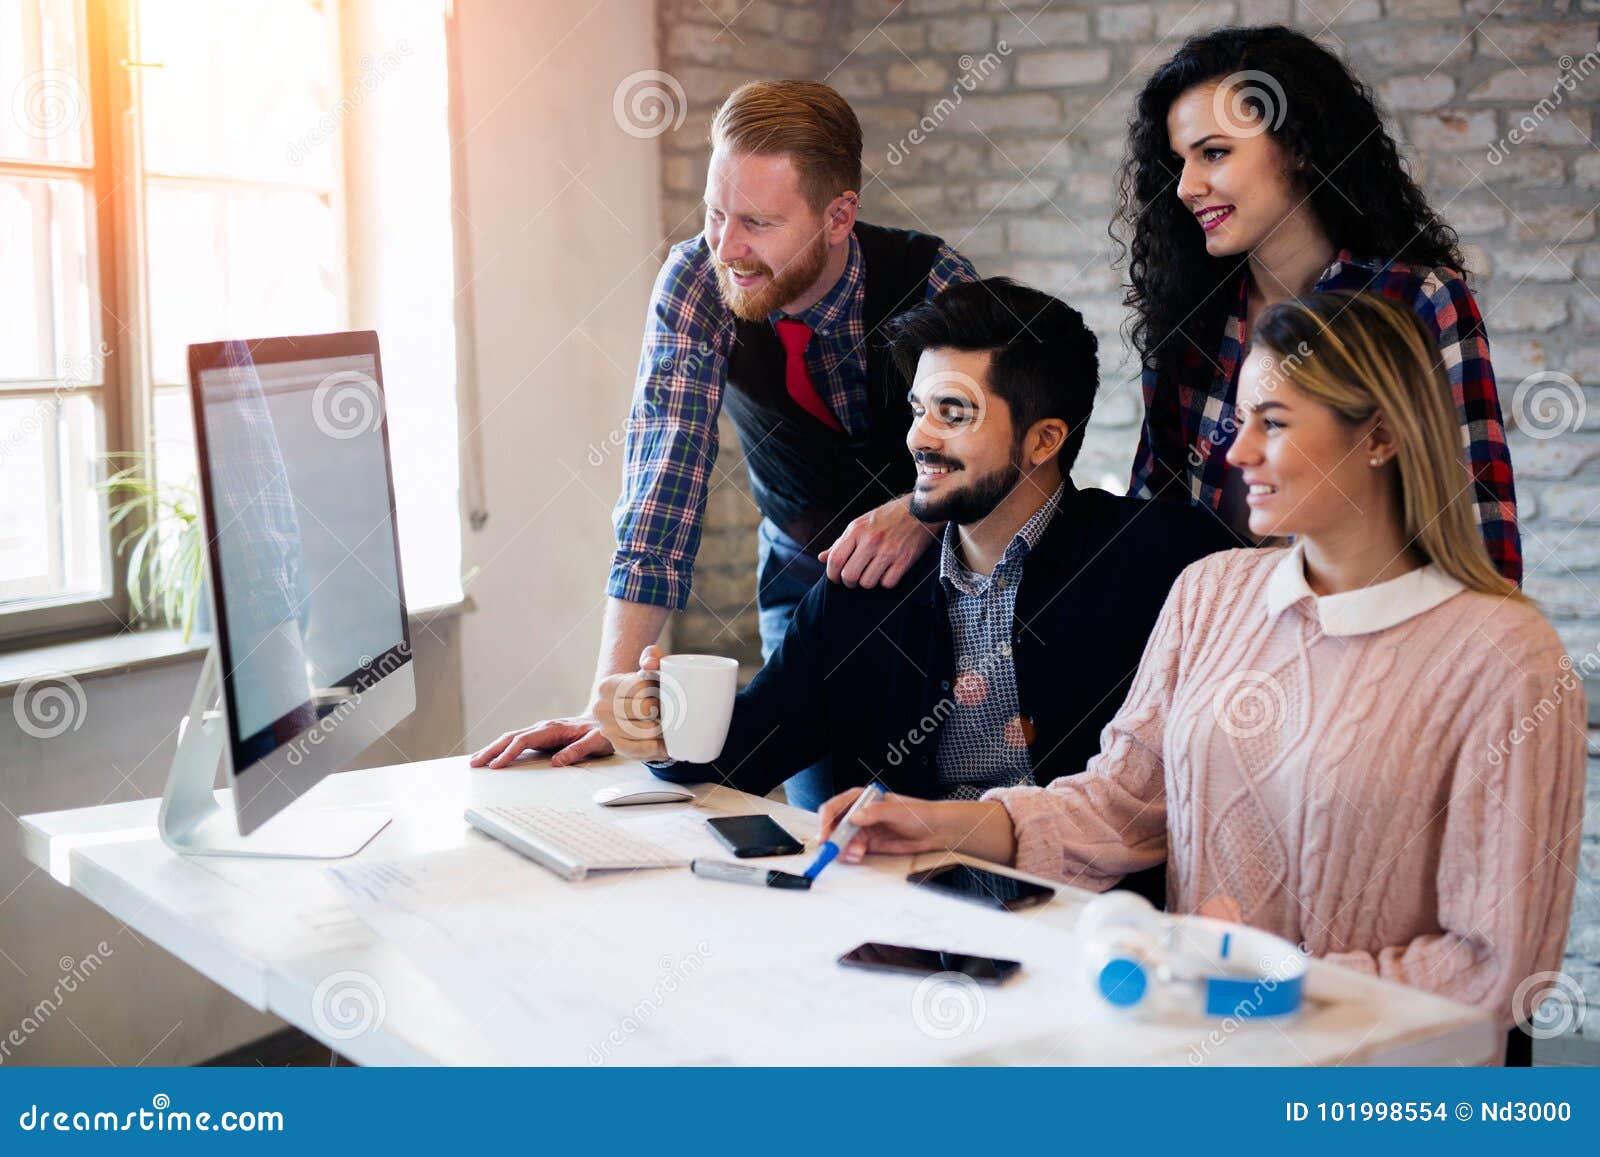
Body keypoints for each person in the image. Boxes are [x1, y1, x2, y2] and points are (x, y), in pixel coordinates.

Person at [821, 292, 1583, 1059]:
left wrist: (1253, 992)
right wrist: (933, 822)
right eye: (1243, 419)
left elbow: (1494, 962)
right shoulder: (1211, 592)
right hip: (1196, 1052)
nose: (1237, 452)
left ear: (1381, 434)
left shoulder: (1504, 656)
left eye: (1273, 422)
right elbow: (1120, 803)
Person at [595, 278, 1243, 908]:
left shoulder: (1162, 562)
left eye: (953, 413)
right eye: (918, 409)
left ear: (1044, 439)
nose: (919, 437)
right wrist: (661, 724)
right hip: (908, 911)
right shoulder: (865, 585)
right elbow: (747, 749)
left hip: (1095, 925)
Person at [472, 80, 978, 809]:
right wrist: (608, 702)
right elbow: (662, 484)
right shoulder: (696, 284)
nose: (728, 247)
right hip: (806, 583)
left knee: (932, 815)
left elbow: (1009, 449)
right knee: (823, 822)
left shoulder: (933, 283)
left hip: (946, 581)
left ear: (839, 217)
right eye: (715, 214)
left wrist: (922, 509)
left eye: (758, 223)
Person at [1119, 25, 1520, 581]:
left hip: (1385, 648)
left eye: (1213, 153)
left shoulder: (1418, 301)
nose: (1186, 186)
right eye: (1178, 162)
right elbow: (1152, 522)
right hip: (1219, 649)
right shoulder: (1190, 316)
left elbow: (1480, 532)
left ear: (1300, 148)